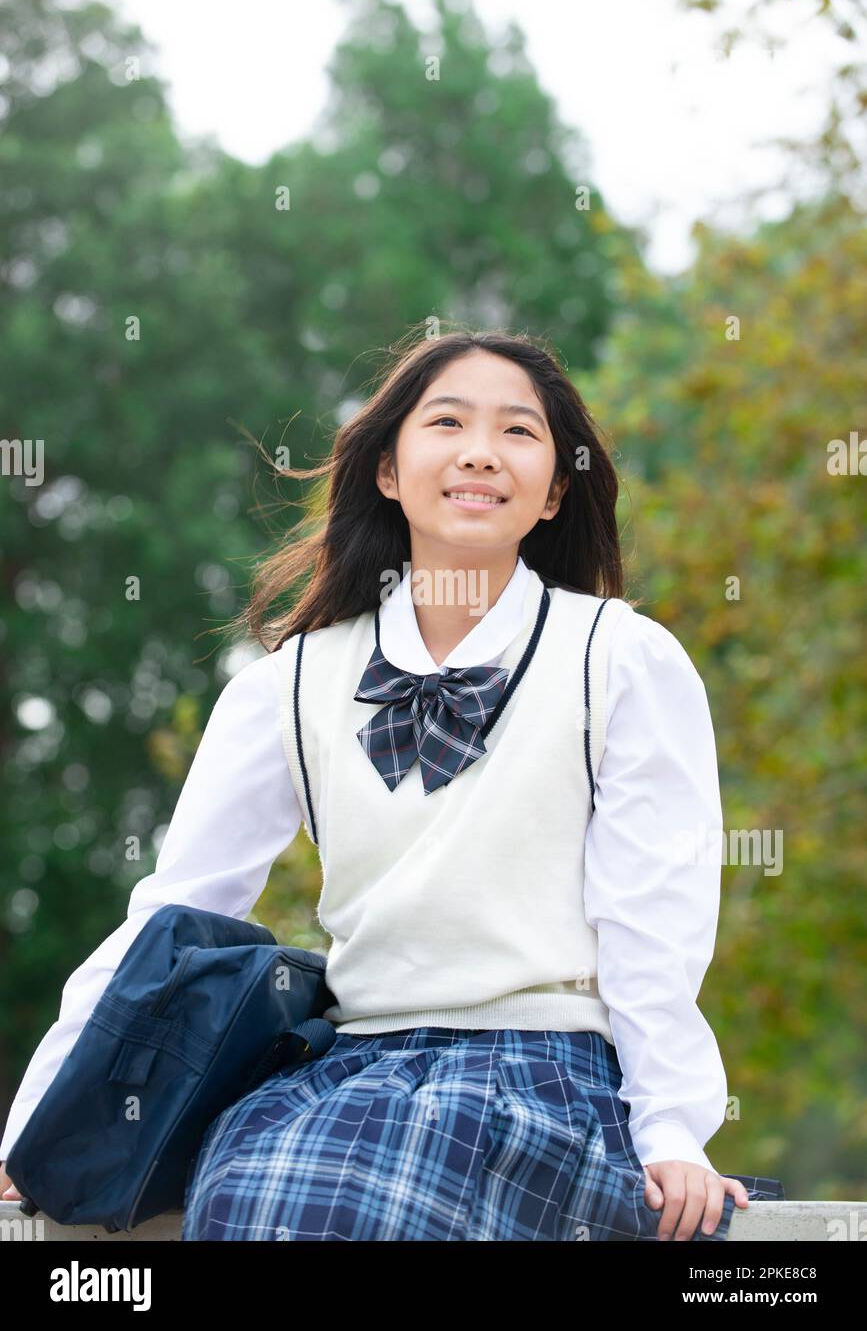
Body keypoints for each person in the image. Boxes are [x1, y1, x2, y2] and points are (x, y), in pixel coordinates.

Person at [0, 328, 785, 1240]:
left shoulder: (619, 659)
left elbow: (653, 917)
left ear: (553, 491)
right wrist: (37, 1130)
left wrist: (671, 1128)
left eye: (518, 431)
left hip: (549, 1075)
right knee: (253, 1185)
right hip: (345, 1072)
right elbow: (172, 918)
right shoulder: (286, 685)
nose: (480, 451)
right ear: (386, 469)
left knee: (351, 1202)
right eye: (446, 422)